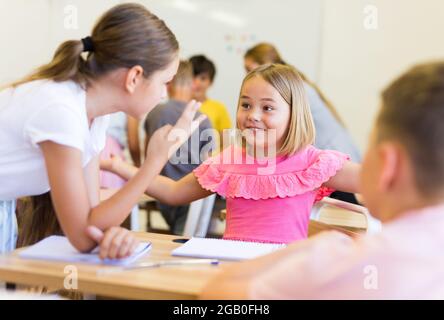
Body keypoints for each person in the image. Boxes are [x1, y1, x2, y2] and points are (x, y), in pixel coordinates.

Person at [201, 61, 444, 299]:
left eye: (367, 148)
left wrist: (301, 251)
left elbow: (216, 295)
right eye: (245, 104)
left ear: (388, 165)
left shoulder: (345, 264)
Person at [0, 3, 204, 258]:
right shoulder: (61, 110)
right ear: (134, 78)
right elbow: (83, 237)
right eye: (165, 82)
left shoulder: (95, 117)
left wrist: (110, 234)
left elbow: (92, 219)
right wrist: (154, 162)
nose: (164, 95)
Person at [101, 64, 360, 244]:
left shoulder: (313, 162)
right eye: (245, 104)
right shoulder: (229, 159)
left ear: (294, 115)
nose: (253, 115)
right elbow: (173, 192)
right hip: (232, 271)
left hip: (285, 275)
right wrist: (118, 166)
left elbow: (375, 180)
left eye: (268, 107)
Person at [245, 43, 361, 204]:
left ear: (265, 67)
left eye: (250, 69)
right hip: (333, 154)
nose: (249, 76)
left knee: (345, 212)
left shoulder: (292, 90)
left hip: (335, 156)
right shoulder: (293, 86)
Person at [144, 60, 215, 234]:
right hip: (192, 193)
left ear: (168, 85)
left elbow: (149, 154)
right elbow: (209, 162)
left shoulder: (155, 113)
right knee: (186, 237)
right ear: (192, 84)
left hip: (160, 191)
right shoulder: (202, 118)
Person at [189, 55, 232, 151]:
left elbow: (226, 144)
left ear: (211, 82)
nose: (197, 82)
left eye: (203, 78)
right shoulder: (178, 107)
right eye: (193, 77)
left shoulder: (219, 108)